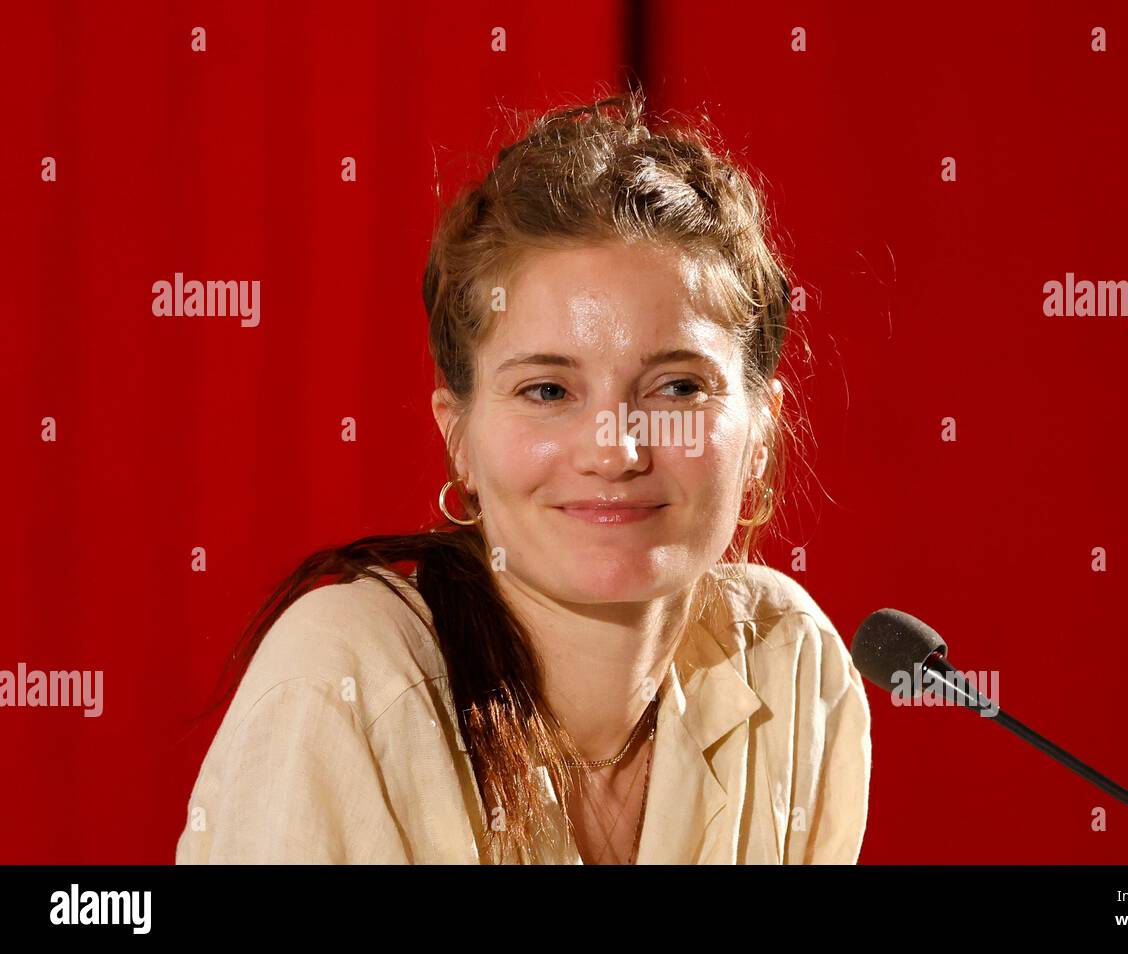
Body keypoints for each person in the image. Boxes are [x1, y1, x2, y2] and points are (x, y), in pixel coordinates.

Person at [175, 88, 871, 865]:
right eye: (548, 391)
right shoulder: (345, 679)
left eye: (677, 387)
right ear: (459, 438)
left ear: (763, 431)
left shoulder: (789, 663)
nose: (614, 452)